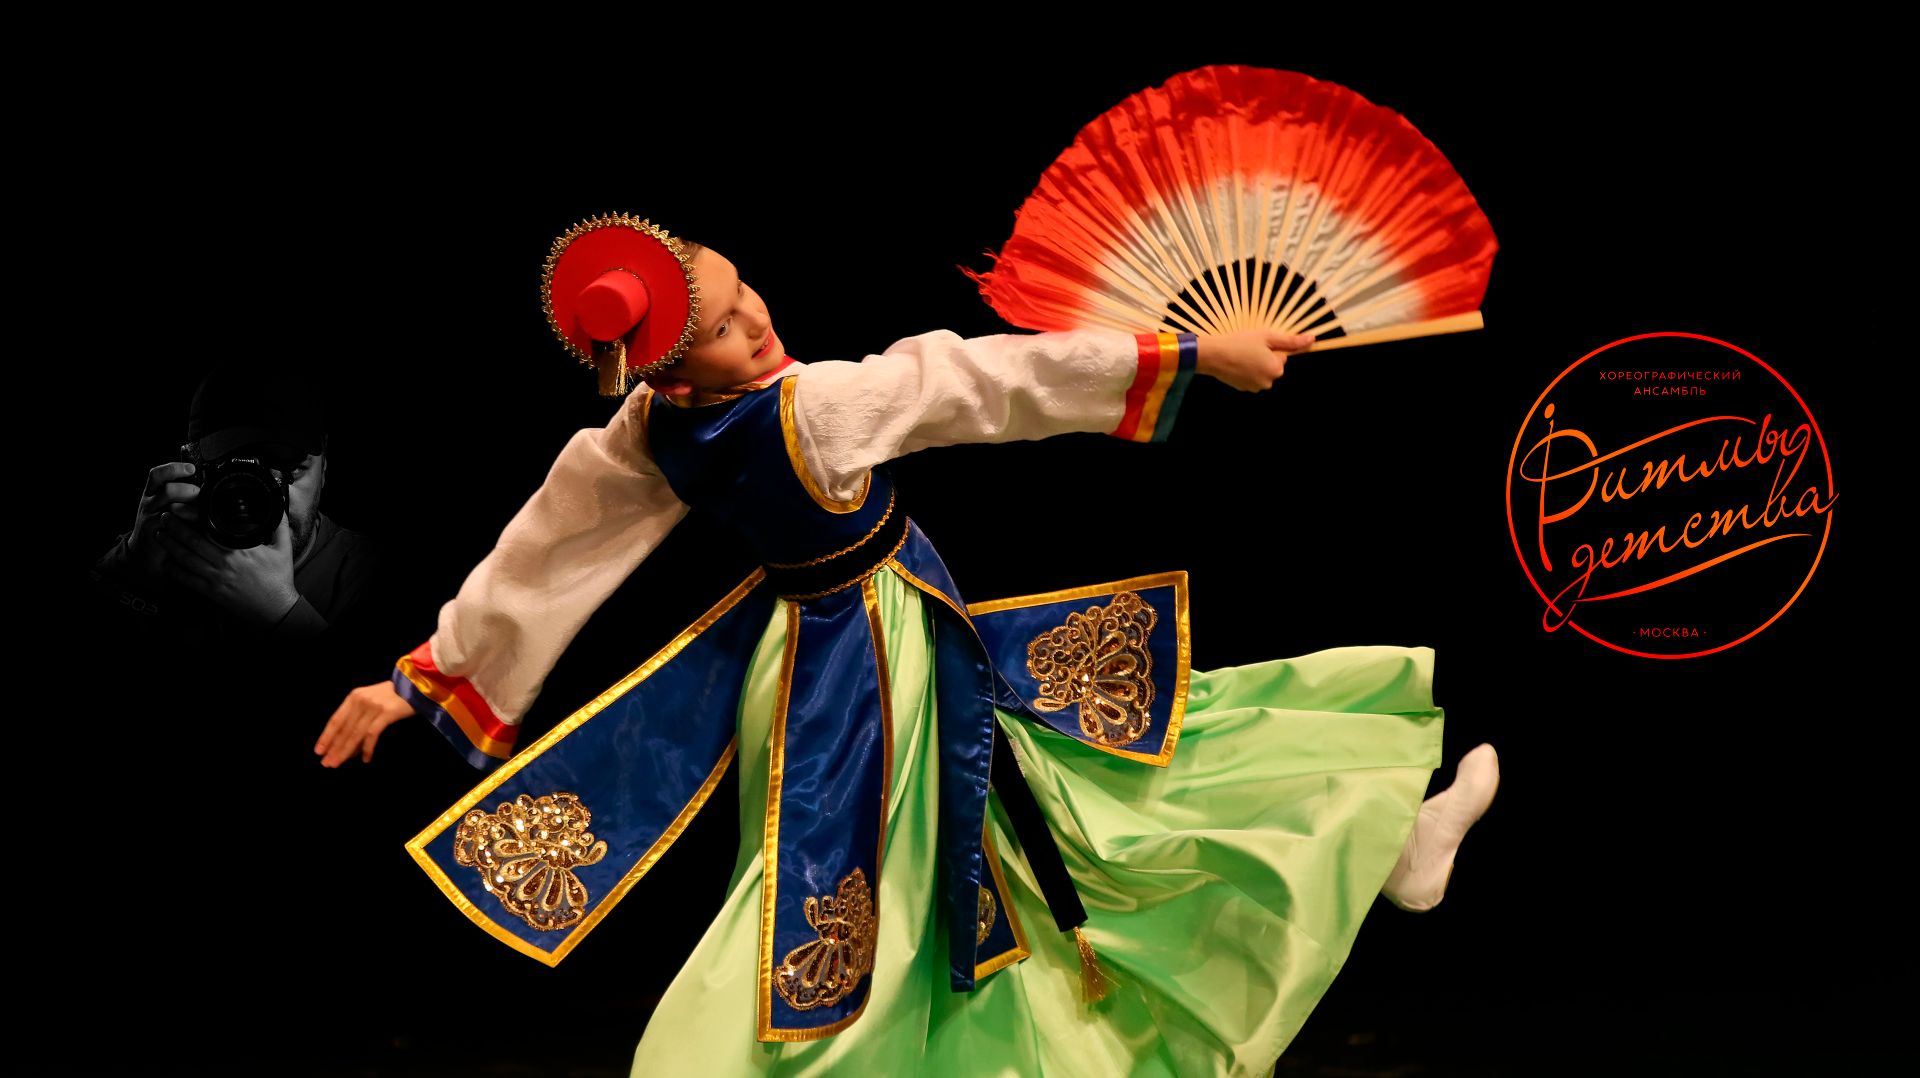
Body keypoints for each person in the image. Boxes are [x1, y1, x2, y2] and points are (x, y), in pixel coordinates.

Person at [316, 215, 1499, 1075]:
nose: (756, 323)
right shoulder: (744, 418)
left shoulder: (687, 420)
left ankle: (1379, 828)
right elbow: (550, 549)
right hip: (849, 664)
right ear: (666, 371)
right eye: (724, 330)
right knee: (916, 848)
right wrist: (415, 676)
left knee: (1062, 787)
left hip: (882, 635)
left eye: (744, 295)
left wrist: (1187, 353)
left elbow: (980, 378)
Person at [93, 362, 377, 649]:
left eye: (290, 471)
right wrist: (129, 566)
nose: (266, 495)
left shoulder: (368, 573)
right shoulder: (158, 547)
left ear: (324, 468)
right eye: (238, 470)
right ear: (190, 465)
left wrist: (285, 613)